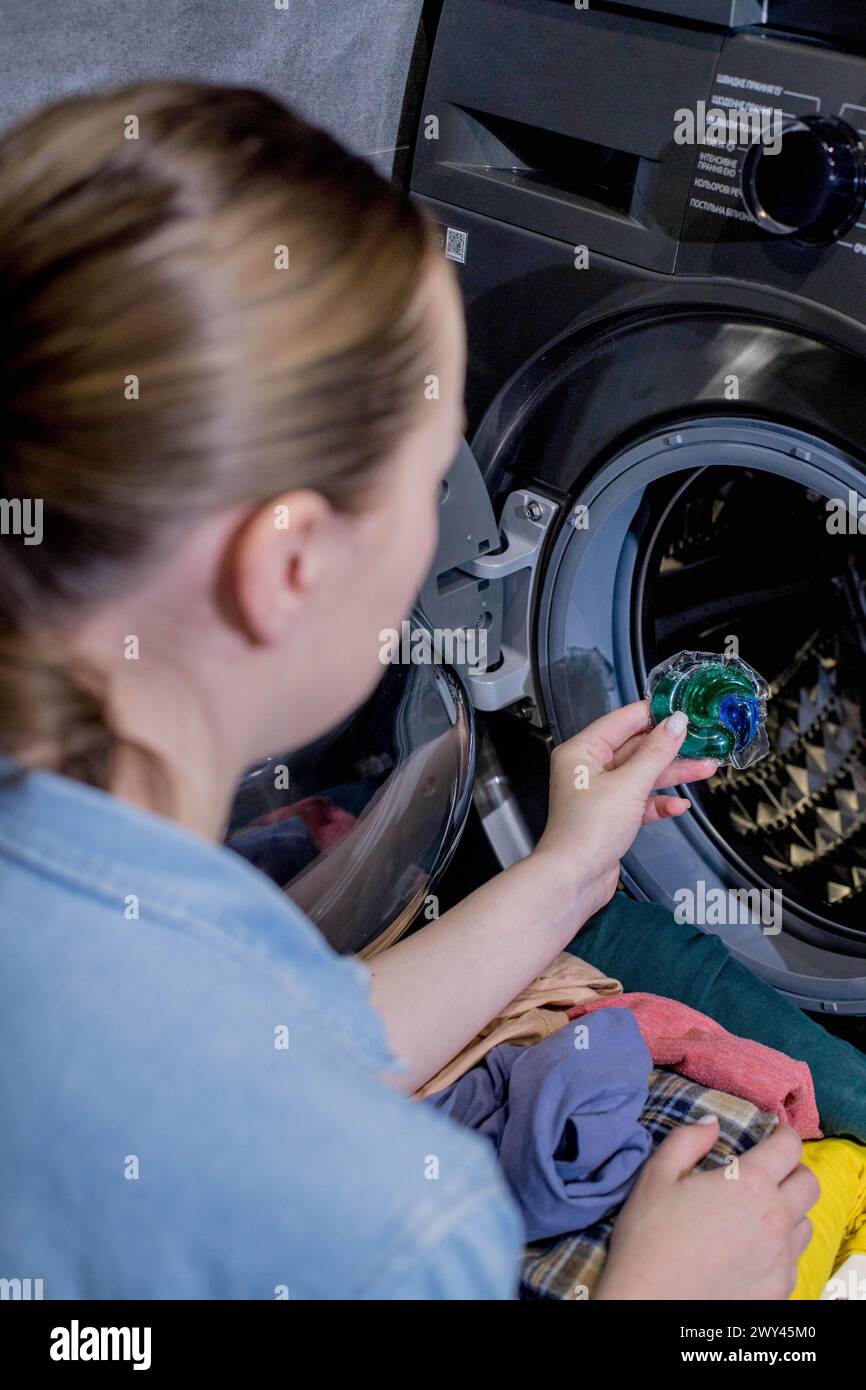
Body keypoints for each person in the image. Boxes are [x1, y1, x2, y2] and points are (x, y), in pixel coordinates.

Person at [0, 81, 820, 1300]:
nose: (461, 539)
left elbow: (257, 1047)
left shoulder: (95, 895)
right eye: (429, 476)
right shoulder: (398, 1228)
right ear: (285, 567)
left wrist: (564, 873)